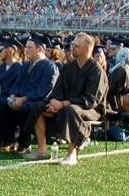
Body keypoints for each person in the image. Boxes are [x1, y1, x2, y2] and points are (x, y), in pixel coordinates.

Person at [24, 33, 108, 166]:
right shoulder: (69, 67)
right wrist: (53, 103)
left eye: (76, 45)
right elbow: (58, 90)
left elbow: (91, 99)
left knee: (71, 110)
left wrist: (63, 103)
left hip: (90, 108)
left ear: (86, 48)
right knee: (38, 106)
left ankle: (72, 153)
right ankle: (41, 149)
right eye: (72, 44)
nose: (72, 47)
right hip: (65, 104)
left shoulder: (96, 70)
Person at [0, 35, 59, 154]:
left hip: (38, 100)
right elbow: (17, 84)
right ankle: (9, 140)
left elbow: (44, 90)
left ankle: (24, 143)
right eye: (26, 47)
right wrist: (13, 96)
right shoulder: (26, 65)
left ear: (39, 49)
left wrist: (23, 99)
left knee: (27, 108)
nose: (26, 50)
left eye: (29, 47)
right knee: (0, 104)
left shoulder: (49, 67)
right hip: (21, 99)